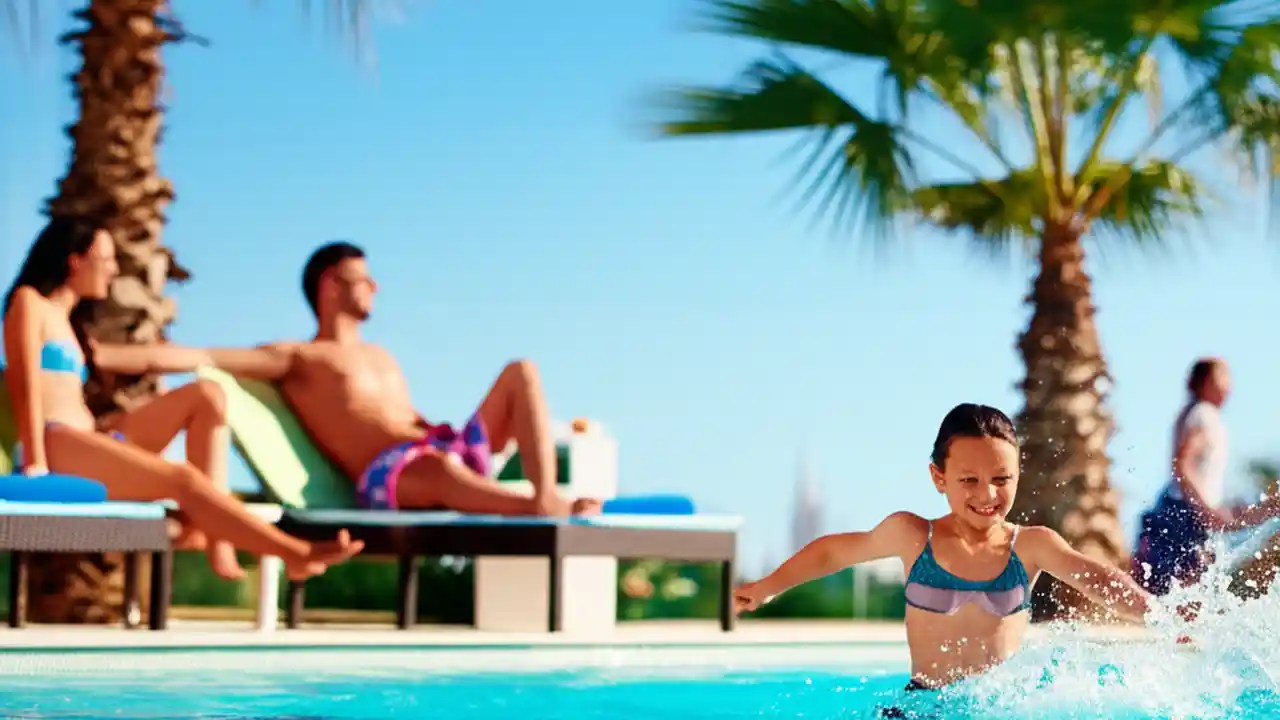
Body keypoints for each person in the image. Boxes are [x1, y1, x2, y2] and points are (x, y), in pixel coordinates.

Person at [93, 241, 602, 517]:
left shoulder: (381, 354)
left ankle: (543, 493)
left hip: (438, 448)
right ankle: (538, 507)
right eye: (364, 279)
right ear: (330, 284)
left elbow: (406, 418)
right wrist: (105, 354)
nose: (375, 287)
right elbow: (200, 355)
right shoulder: (299, 357)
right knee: (443, 472)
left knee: (521, 372)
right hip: (391, 475)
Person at [1, 216, 363, 581]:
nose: (113, 270)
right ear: (75, 260)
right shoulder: (29, 303)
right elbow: (24, 384)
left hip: (87, 439)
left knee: (206, 394)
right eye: (105, 259)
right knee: (182, 480)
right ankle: (295, 552)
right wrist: (35, 464)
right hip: (53, 445)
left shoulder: (71, 324)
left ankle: (217, 541)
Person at [733, 403, 1177, 696]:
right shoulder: (912, 535)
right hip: (922, 705)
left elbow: (1096, 578)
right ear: (938, 478)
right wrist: (768, 586)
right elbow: (834, 553)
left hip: (998, 707)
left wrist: (1161, 617)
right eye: (969, 480)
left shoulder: (1031, 545)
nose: (987, 494)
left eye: (1001, 479)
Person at [1132, 358, 1236, 595]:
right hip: (1187, 511)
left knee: (1172, 592)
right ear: (1206, 382)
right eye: (1223, 378)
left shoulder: (1190, 412)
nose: (1229, 387)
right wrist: (1205, 510)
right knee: (1191, 591)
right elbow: (1182, 464)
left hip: (1176, 506)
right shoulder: (1204, 415)